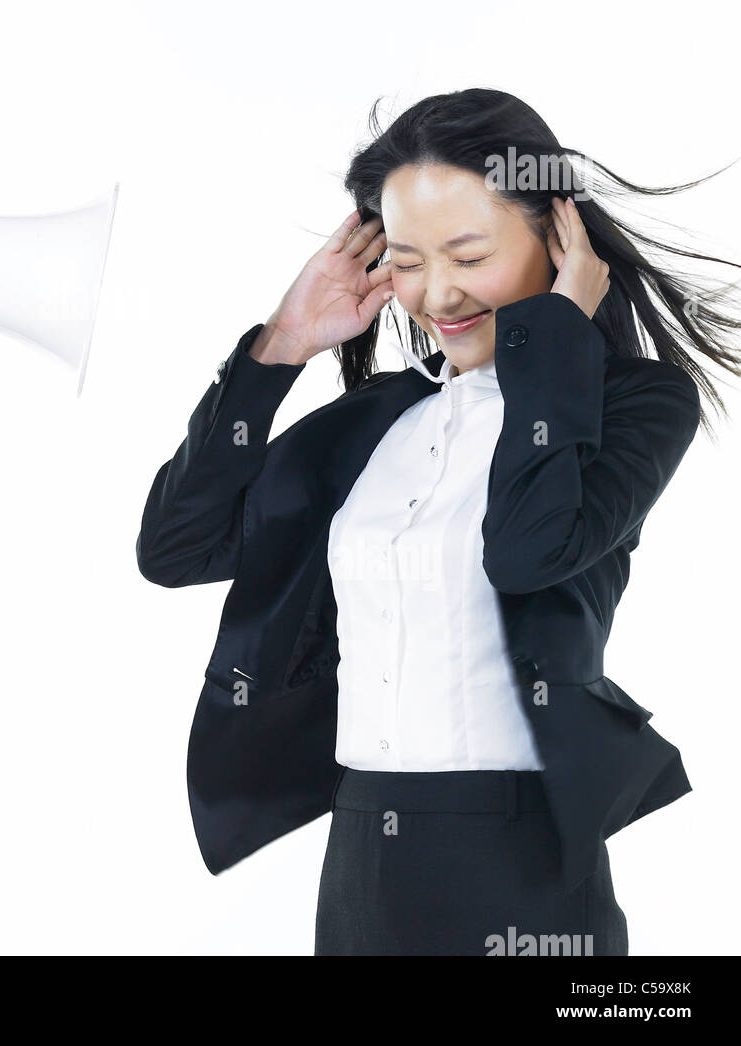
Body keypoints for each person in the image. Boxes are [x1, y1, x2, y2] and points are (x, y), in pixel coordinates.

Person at [137, 88, 740, 955]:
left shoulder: (631, 404)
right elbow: (176, 546)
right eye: (408, 261)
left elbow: (529, 552)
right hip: (361, 849)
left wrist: (555, 336)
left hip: (521, 867)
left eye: (469, 254)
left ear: (557, 237)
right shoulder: (380, 419)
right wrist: (280, 346)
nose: (439, 293)